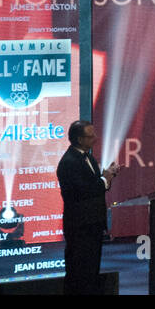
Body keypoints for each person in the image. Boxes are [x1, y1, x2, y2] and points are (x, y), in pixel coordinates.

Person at [57, 121, 119, 295]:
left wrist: (108, 177)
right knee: (79, 274)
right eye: (90, 136)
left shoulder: (88, 157)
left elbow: (96, 186)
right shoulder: (69, 162)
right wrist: (104, 178)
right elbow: (84, 191)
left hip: (93, 224)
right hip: (80, 227)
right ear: (78, 139)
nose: (95, 139)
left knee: (91, 271)